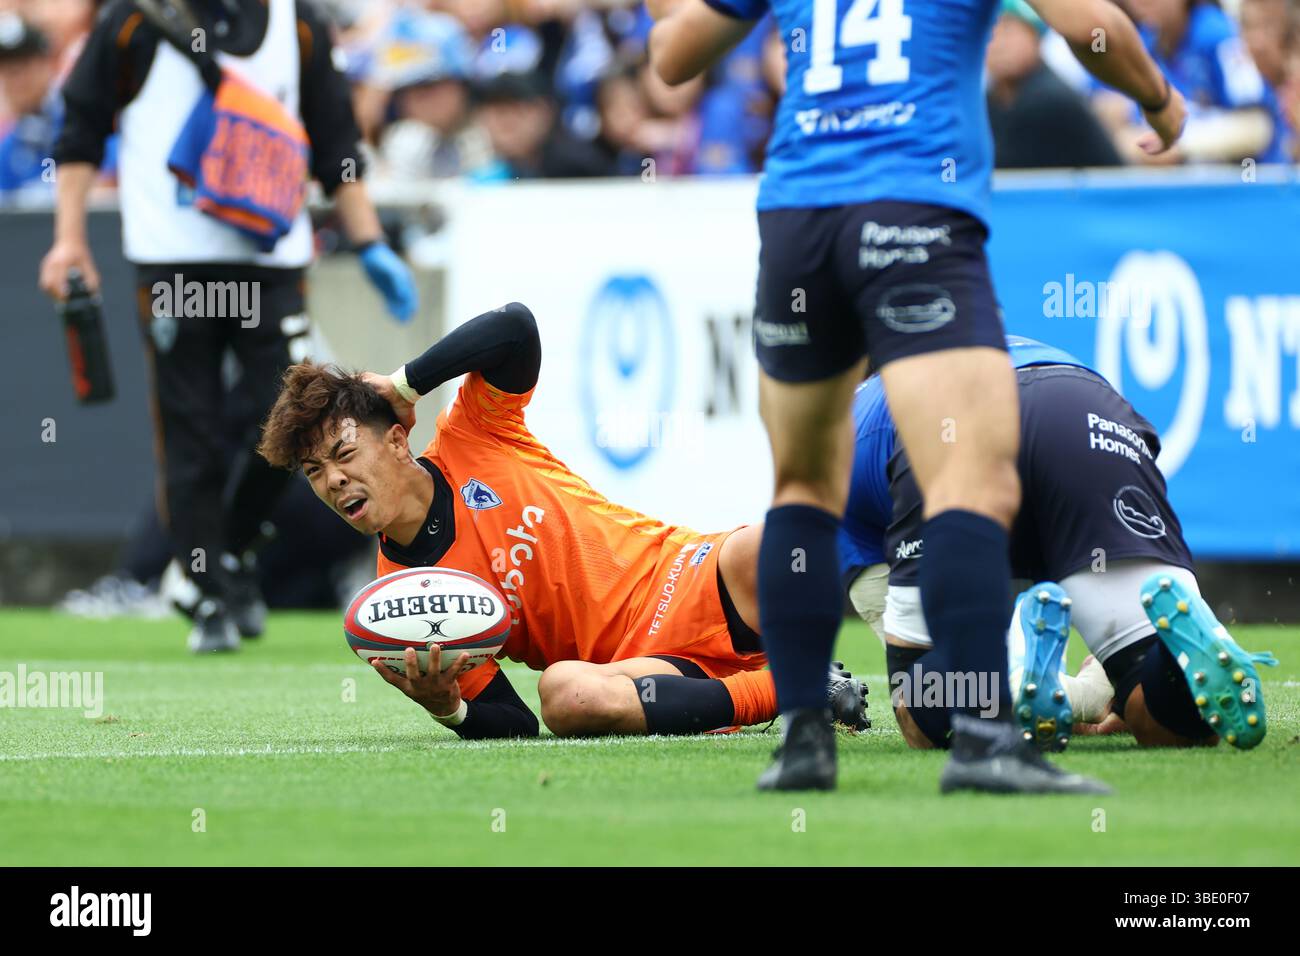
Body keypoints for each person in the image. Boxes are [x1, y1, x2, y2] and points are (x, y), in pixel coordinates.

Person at [646, 0, 1185, 793]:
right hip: (914, 213)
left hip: (798, 223)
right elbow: (1089, 28)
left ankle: (801, 742)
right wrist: (1160, 103)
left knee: (803, 488)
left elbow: (670, 54)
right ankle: (984, 741)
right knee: (969, 479)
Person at [257, 303, 870, 740]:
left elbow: (515, 328)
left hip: (693, 576)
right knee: (566, 697)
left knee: (781, 544)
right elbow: (517, 725)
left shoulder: (475, 431)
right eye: (314, 473)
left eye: (343, 455)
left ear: (396, 439)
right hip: (636, 672)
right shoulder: (400, 606)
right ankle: (793, 687)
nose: (333, 481)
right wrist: (448, 708)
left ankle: (927, 577)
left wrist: (405, 382)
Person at [39, 0, 419, 653]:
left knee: (302, 418)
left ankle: (231, 552)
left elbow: (333, 140)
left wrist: (368, 240)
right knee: (190, 429)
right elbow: (80, 127)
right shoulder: (133, 19)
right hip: (171, 261)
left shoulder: (295, 19)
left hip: (268, 260)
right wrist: (68, 240)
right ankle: (208, 586)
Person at [840, 335, 1278, 752]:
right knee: (1172, 727)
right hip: (1083, 408)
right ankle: (1175, 664)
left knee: (920, 703)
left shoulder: (847, 425)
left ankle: (1015, 668)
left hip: (948, 426)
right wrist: (1112, 684)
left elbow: (913, 652)